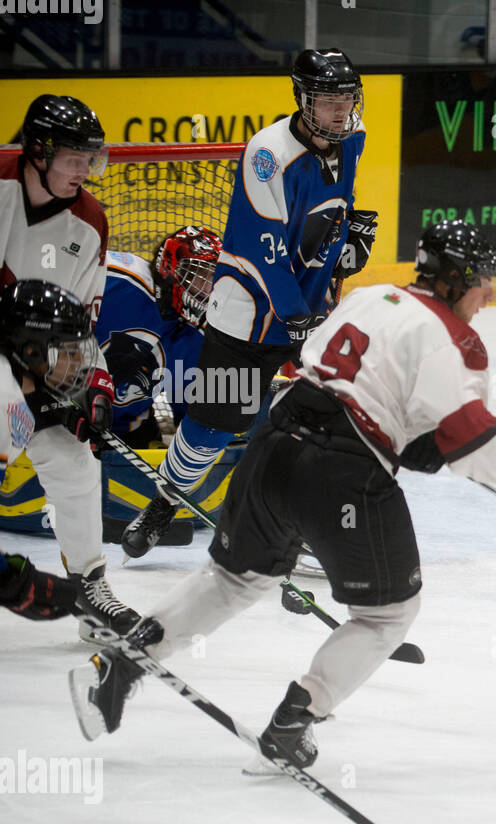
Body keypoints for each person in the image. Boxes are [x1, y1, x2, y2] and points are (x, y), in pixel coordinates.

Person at [70, 220, 496, 774]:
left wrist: (422, 446)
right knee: (387, 615)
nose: (489, 296)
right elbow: (466, 432)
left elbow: (368, 396)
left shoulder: (367, 299)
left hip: (274, 441)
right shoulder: (448, 337)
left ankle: (124, 662)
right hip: (340, 472)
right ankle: (294, 721)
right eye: (483, 284)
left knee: (233, 580)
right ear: (456, 280)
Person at [122, 47, 377, 558]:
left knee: (324, 424)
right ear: (303, 99)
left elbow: (329, 213)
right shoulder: (268, 154)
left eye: (346, 98)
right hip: (248, 317)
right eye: (328, 100)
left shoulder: (354, 139)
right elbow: (269, 251)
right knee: (210, 431)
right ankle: (166, 500)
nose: (340, 110)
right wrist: (298, 320)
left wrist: (345, 243)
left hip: (306, 310)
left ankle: (304, 525)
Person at [0, 94, 140, 636]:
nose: (85, 169)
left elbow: (77, 327)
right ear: (39, 151)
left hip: (30, 360)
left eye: (90, 157)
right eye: (73, 157)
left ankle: (89, 587)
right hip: (13, 369)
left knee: (75, 460)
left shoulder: (90, 224)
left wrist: (91, 388)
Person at [96, 225, 222, 446]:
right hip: (62, 421)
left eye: (213, 278)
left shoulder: (199, 332)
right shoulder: (116, 280)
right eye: (199, 275)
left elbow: (192, 412)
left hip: (129, 431)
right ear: (170, 266)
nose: (206, 288)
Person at [0, 287, 80, 621]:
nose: (78, 362)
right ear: (32, 351)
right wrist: (9, 579)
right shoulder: (6, 403)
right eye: (69, 351)